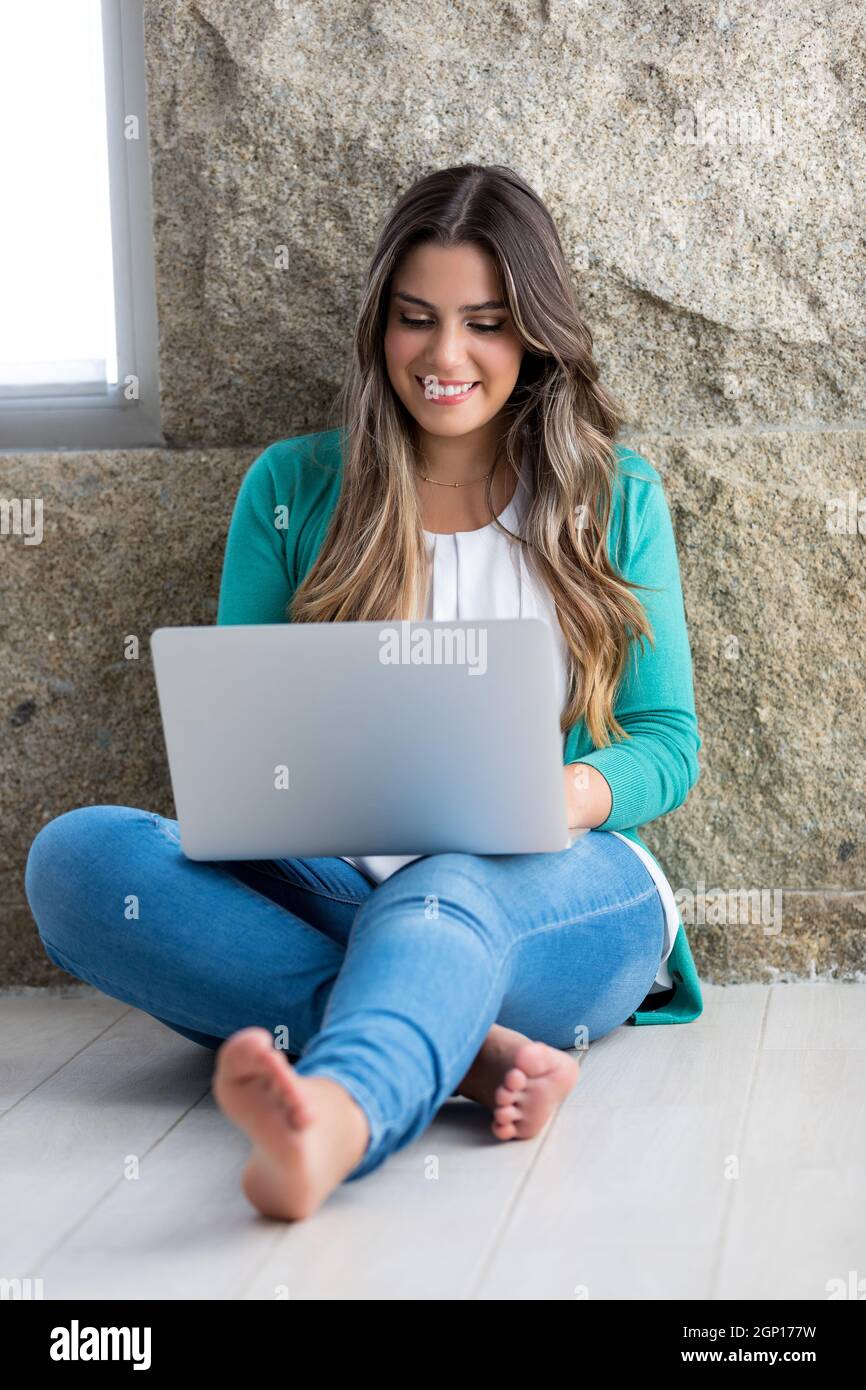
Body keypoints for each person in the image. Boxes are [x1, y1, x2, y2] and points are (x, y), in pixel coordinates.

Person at [24, 163, 703, 1222]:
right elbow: (237, 744)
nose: (444, 357)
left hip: (553, 890)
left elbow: (666, 743)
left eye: (483, 322)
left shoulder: (614, 496)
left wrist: (556, 794)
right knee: (79, 860)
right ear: (378, 325)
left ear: (532, 333)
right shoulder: (294, 490)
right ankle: (465, 1051)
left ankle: (338, 1114)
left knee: (446, 895)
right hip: (335, 881)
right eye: (415, 320)